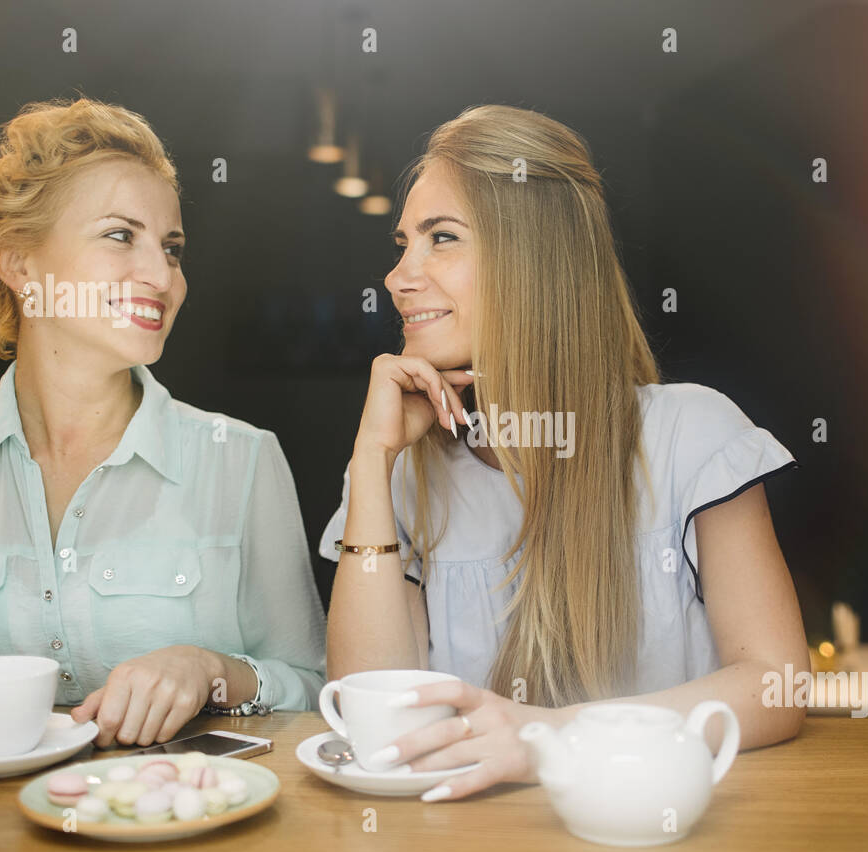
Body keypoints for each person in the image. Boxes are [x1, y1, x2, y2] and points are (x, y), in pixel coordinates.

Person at [321, 104, 810, 801]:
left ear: (535, 259)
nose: (399, 275)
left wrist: (547, 738)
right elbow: (371, 718)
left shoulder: (692, 435)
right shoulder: (402, 469)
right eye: (404, 244)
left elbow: (776, 685)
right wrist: (371, 461)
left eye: (442, 238)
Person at [0, 98, 325, 795]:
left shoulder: (242, 457)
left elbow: (313, 689)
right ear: (21, 264)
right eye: (121, 236)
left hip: (186, 835)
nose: (163, 276)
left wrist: (211, 668)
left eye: (171, 248)